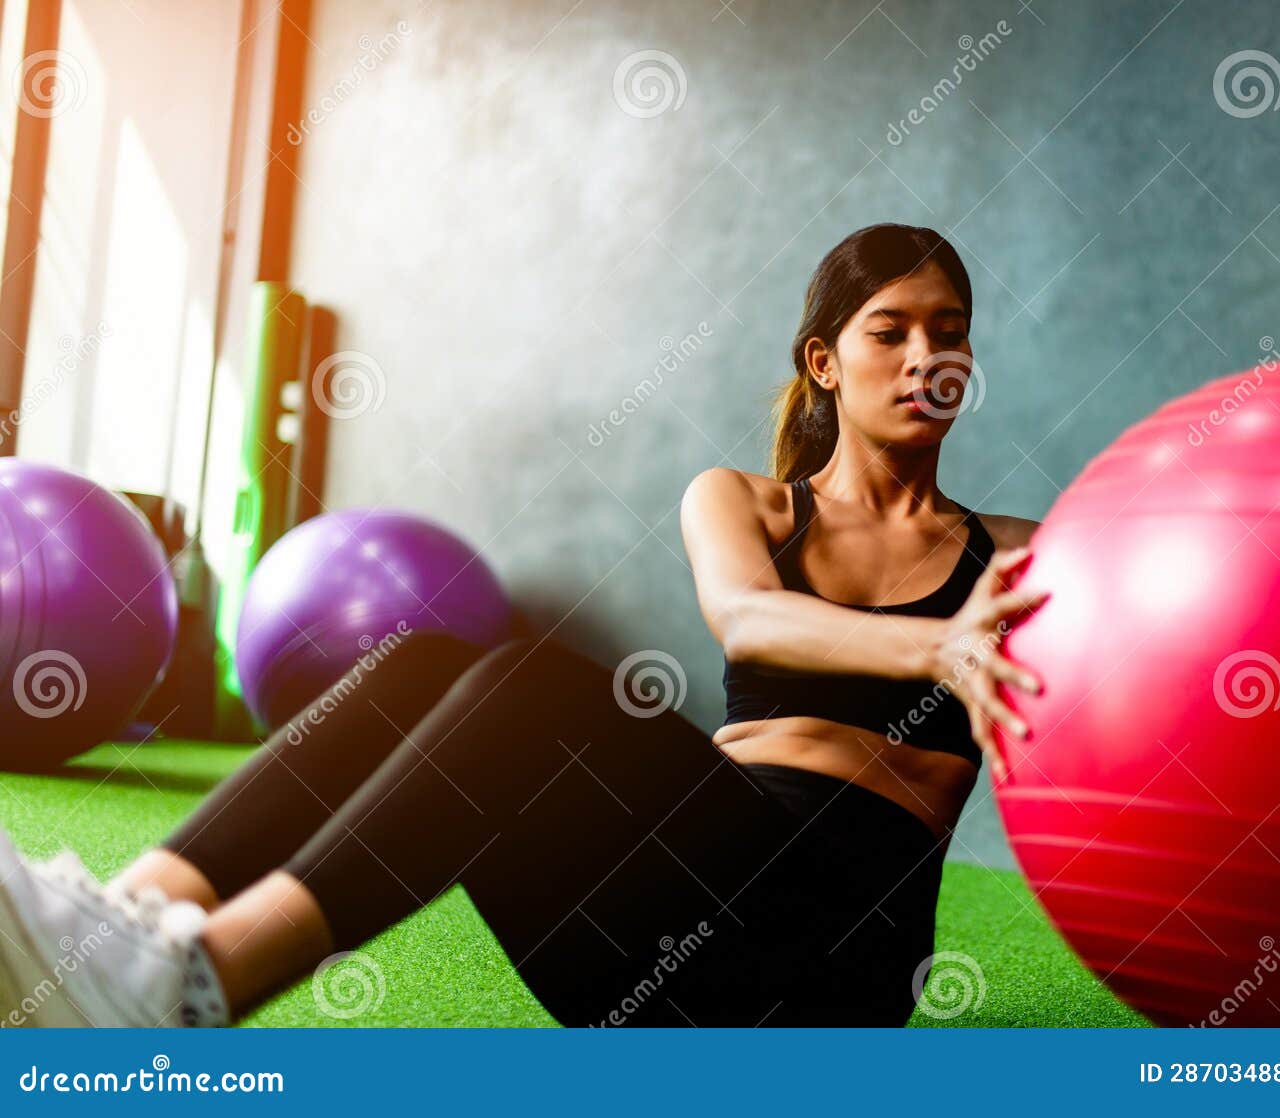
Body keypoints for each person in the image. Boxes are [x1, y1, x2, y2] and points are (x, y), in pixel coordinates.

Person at [0, 222, 1046, 1028]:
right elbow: (745, 618)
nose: (925, 357)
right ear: (824, 361)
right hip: (662, 924)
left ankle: (194, 982)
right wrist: (938, 647)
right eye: (890, 330)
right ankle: (103, 942)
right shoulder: (744, 503)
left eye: (947, 334)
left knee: (530, 687)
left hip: (829, 966)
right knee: (416, 665)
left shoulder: (1016, 553)